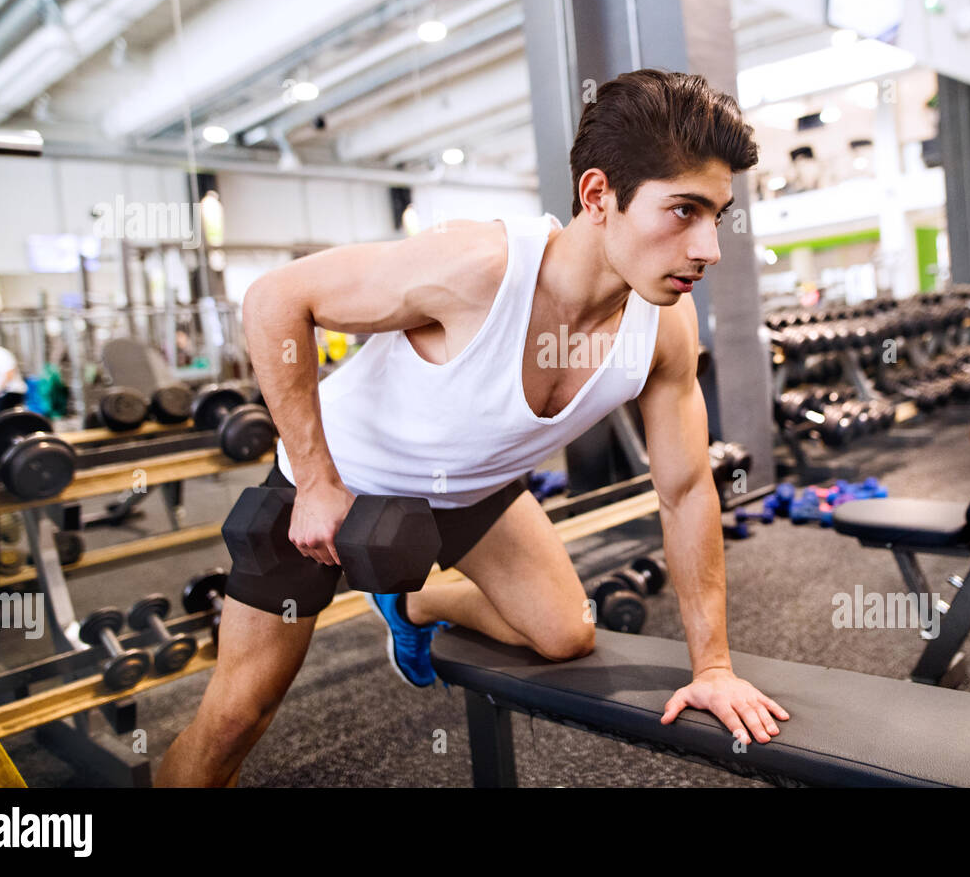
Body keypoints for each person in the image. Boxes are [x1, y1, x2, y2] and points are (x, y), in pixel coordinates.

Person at [157, 69, 789, 787]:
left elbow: (685, 492)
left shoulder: (667, 327)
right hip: (333, 482)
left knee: (566, 634)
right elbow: (275, 300)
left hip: (471, 492)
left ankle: (410, 600)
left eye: (718, 214)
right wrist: (317, 481)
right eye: (684, 211)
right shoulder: (477, 268)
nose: (708, 246)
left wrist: (712, 668)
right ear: (597, 197)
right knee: (237, 719)